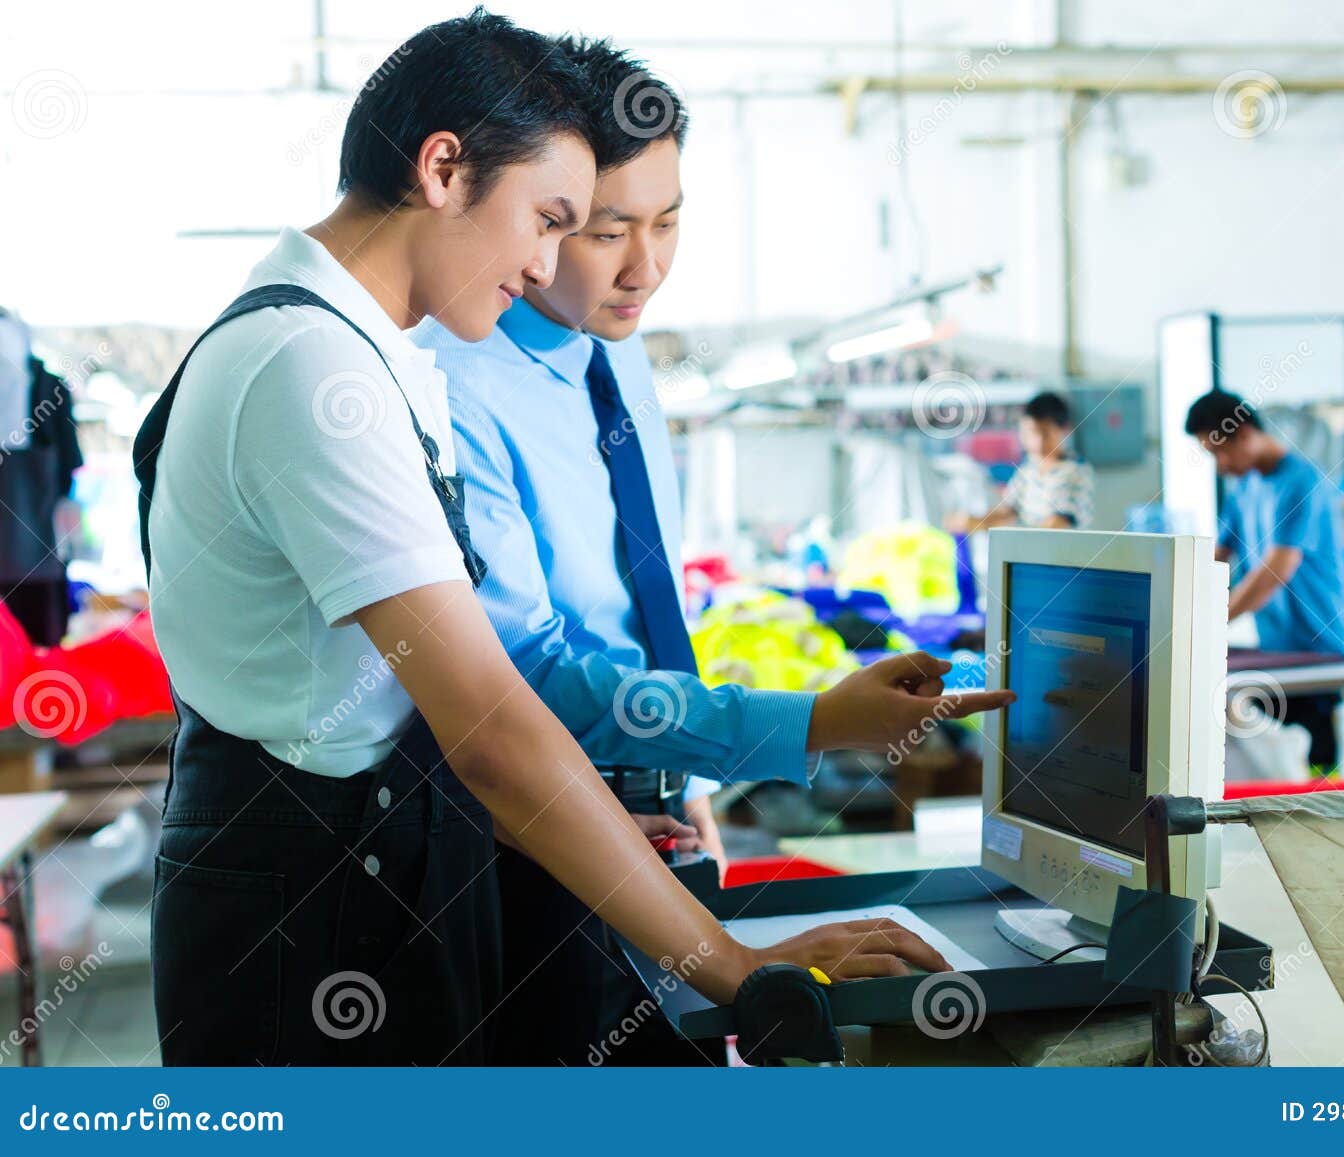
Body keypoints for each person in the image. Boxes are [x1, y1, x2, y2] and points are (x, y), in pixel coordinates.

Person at [137, 11, 979, 1067]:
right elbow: (492, 723)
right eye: (553, 219)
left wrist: (632, 831)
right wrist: (736, 964)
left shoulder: (368, 356)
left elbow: (428, 714)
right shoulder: (312, 369)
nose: (546, 266)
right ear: (444, 167)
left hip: (379, 866)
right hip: (303, 907)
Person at [417, 37, 1011, 1065]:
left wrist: (683, 776)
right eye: (606, 230)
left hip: (651, 820)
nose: (645, 265)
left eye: (670, 219)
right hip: (530, 842)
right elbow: (528, 684)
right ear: (537, 213)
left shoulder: (624, 356)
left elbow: (644, 606)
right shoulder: (453, 385)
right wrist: (815, 719)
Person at [1186, 389, 1344, 769]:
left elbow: (1274, 571)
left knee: (1320, 783)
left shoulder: (1302, 482)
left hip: (1322, 653)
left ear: (1246, 433)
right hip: (1281, 655)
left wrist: (1210, 624)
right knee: (1284, 773)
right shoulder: (1244, 488)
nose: (1219, 465)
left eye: (1220, 452)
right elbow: (1217, 559)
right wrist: (1185, 601)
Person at [0, 309, 82, 646]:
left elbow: (67, 476)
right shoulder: (49, 387)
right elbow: (69, 472)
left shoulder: (50, 387)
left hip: (36, 552)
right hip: (36, 555)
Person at [946, 390, 1093, 533]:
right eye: (1032, 432)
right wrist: (972, 522)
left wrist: (1022, 547)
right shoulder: (1028, 471)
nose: (1039, 442)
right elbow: (1008, 512)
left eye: (1046, 433)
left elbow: (1057, 525)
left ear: (1064, 429)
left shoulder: (1075, 471)